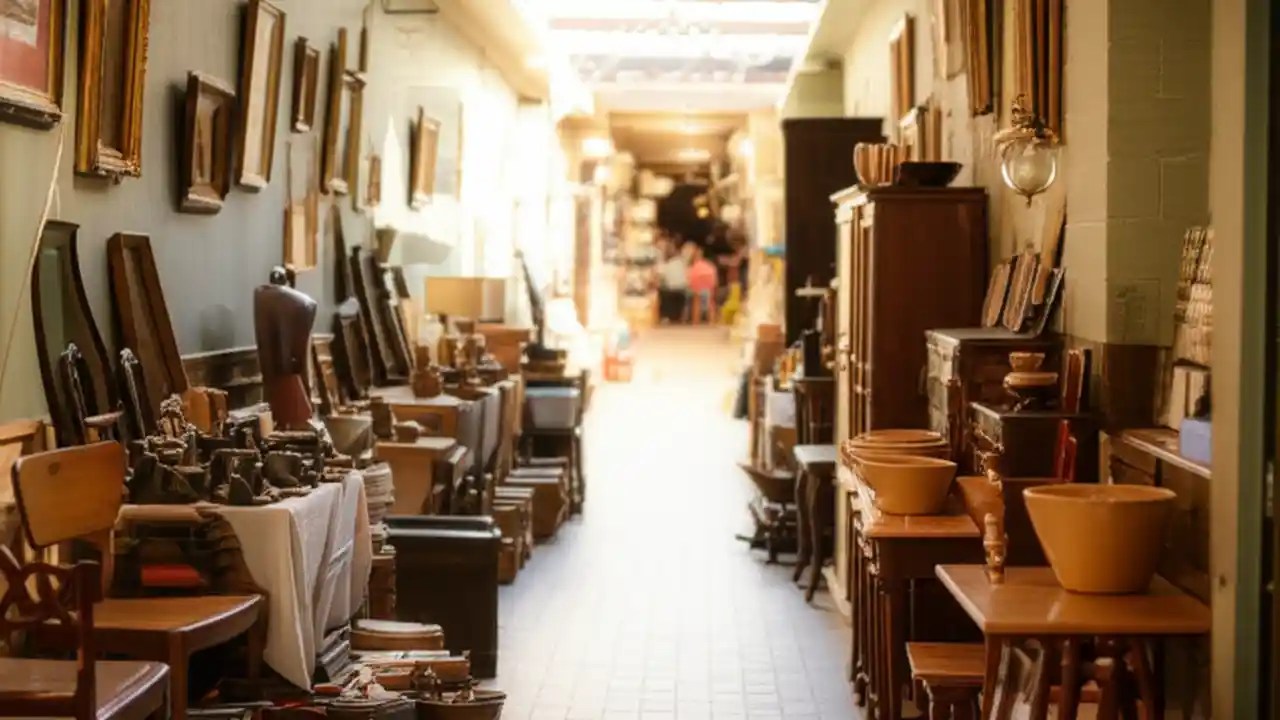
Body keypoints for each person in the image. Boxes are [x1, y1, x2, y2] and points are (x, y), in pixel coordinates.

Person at [656, 239, 689, 323]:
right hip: (682, 291)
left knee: (660, 292)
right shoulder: (682, 262)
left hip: (669, 291)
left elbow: (660, 278)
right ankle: (679, 317)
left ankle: (664, 317)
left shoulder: (665, 265)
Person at [686, 243, 718, 324]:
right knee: (711, 303)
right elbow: (714, 278)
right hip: (709, 287)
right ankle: (712, 321)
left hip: (698, 288)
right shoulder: (708, 265)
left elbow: (691, 279)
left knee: (696, 301)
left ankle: (695, 321)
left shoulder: (694, 266)